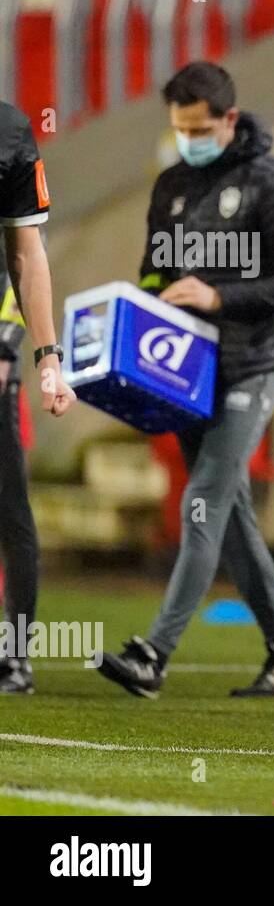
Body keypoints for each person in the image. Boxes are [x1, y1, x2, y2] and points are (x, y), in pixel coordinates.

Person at [97, 62, 274, 699]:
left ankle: (153, 654)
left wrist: (218, 297)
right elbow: (151, 268)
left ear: (229, 119)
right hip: (184, 372)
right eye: (178, 128)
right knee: (227, 516)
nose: (188, 138)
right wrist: (145, 305)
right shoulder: (170, 183)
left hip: (250, 369)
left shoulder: (272, 184)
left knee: (202, 503)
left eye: (198, 128)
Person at [0, 99, 77, 695]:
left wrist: (42, 355)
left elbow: (25, 254)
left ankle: (15, 654)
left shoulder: (9, 131)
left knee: (8, 504)